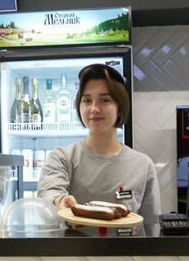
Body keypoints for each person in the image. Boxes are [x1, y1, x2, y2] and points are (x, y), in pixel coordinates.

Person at [38, 63, 161, 225]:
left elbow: (151, 225)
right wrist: (59, 200)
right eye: (87, 100)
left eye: (104, 100)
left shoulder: (142, 166)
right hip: (72, 242)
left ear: (120, 106)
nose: (94, 109)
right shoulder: (62, 158)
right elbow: (49, 190)